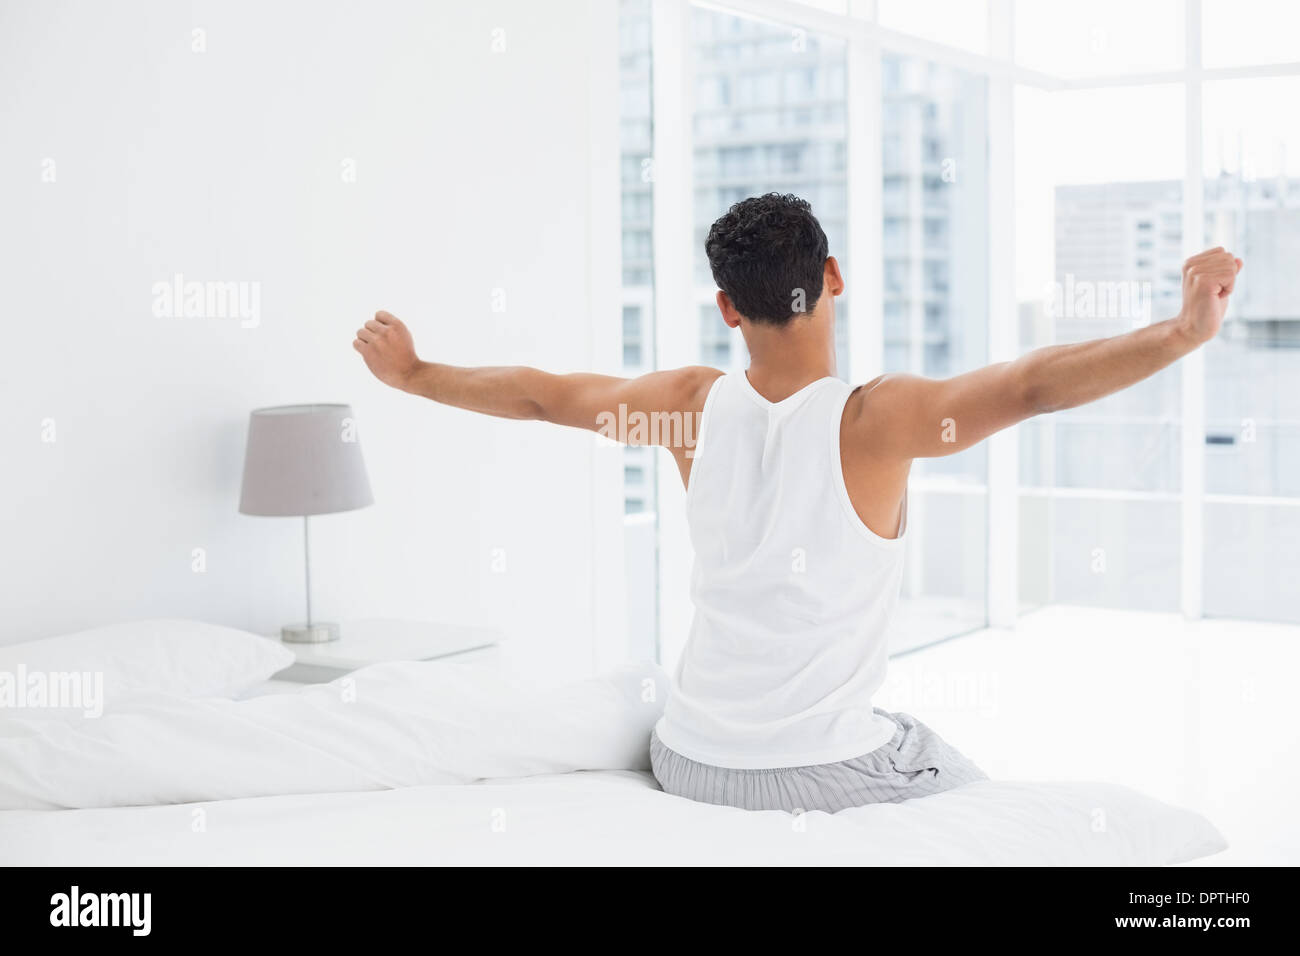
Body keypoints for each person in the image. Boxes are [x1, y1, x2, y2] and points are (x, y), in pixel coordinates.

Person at [353, 192, 1242, 813]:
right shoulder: (879, 420)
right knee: (983, 805)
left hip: (690, 756)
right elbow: (1032, 387)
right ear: (834, 277)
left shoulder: (685, 404)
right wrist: (1180, 331)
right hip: (819, 772)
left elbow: (547, 396)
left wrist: (415, 374)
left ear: (728, 308)